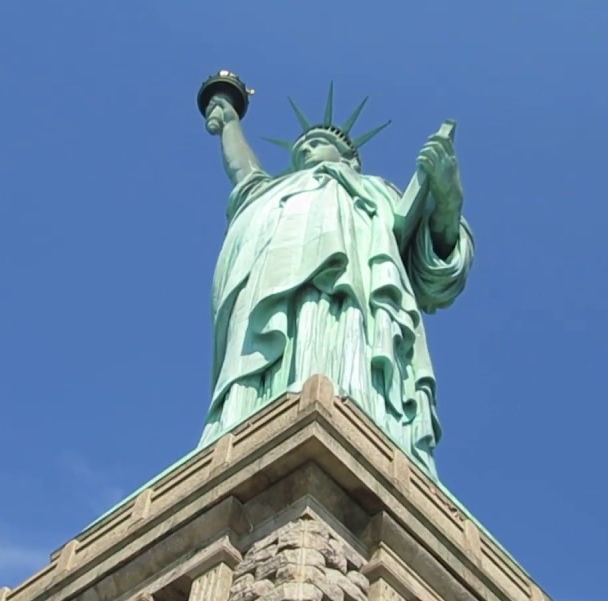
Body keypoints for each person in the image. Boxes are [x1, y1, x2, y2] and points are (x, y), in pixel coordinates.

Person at [199, 89, 475, 476]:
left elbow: (436, 274)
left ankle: (359, 420)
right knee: (263, 373)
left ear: (350, 157)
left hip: (354, 304)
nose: (307, 149)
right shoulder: (275, 192)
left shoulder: (380, 194)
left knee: (339, 364)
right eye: (301, 148)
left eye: (317, 143)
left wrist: (447, 201)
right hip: (267, 297)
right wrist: (230, 125)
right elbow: (245, 173)